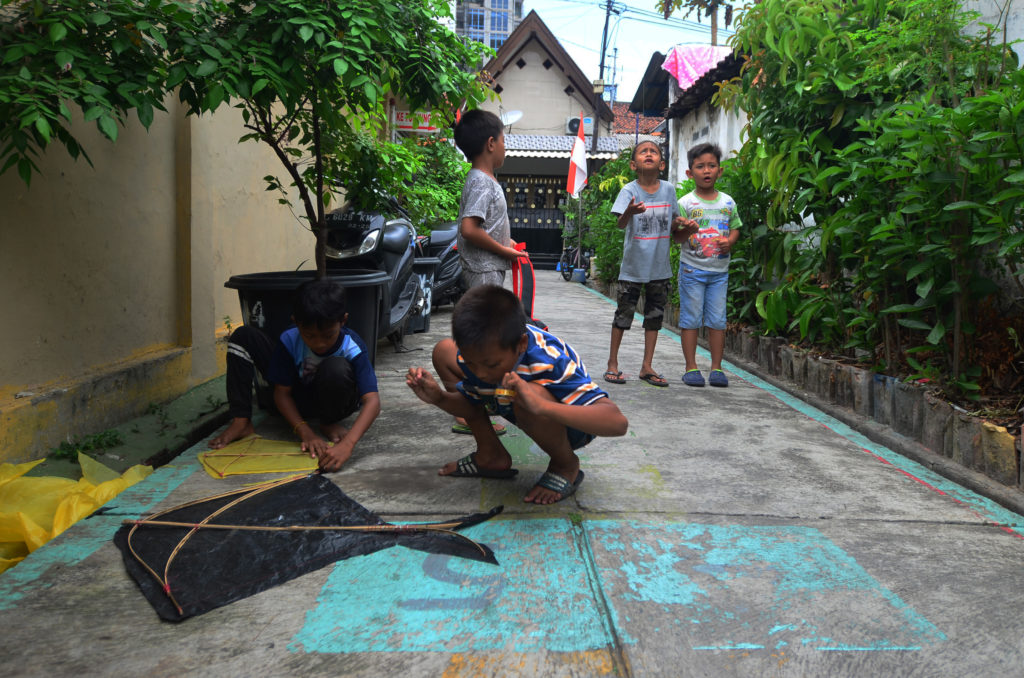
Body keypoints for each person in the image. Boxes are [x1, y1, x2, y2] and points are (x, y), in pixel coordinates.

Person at [406, 285, 628, 505]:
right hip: (512, 401)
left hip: (572, 424)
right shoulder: (476, 359)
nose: (481, 373)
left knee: (529, 393)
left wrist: (541, 406)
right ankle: (490, 454)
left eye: (491, 364)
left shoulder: (548, 360)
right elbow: (470, 403)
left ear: (521, 344)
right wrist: (439, 398)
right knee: (443, 351)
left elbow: (617, 423)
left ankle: (565, 464)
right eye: (472, 363)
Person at [209, 279, 381, 471]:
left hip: (336, 401)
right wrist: (305, 432)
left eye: (328, 335)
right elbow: (282, 393)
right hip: (298, 399)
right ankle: (241, 421)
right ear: (296, 323)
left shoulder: (353, 346)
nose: (319, 344)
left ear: (343, 321)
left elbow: (372, 401)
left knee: (336, 368)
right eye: (309, 336)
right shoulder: (289, 339)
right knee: (243, 336)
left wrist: (348, 444)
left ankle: (327, 422)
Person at [447, 108, 530, 436]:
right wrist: (505, 250)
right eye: (505, 140)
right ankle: (467, 408)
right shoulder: (484, 182)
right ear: (492, 143)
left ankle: (472, 403)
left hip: (488, 266)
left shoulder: (481, 179)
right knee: (482, 338)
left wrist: (505, 241)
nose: (506, 147)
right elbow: (469, 228)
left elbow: (484, 226)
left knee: (482, 335)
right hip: (484, 269)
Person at [604, 140, 683, 388]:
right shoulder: (629, 190)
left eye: (654, 152)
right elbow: (619, 223)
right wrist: (629, 212)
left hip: (659, 268)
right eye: (642, 152)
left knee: (654, 318)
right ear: (633, 164)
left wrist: (685, 227)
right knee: (623, 316)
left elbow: (674, 223)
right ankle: (612, 364)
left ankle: (646, 366)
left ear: (661, 164)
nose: (648, 154)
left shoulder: (669, 190)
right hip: (633, 267)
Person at [674, 142, 742, 387]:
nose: (706, 171)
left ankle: (717, 368)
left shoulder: (728, 203)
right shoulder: (685, 204)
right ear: (690, 173)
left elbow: (735, 228)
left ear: (719, 171)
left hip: (719, 273)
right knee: (691, 319)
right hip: (692, 270)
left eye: (711, 166)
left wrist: (729, 242)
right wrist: (686, 229)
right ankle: (691, 367)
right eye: (700, 166)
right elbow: (677, 238)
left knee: (717, 320)